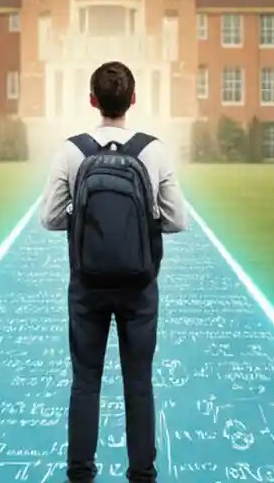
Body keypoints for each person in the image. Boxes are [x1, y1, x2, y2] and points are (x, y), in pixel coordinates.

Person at [39, 60, 188, 482]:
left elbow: (49, 219)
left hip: (87, 283)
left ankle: (80, 473)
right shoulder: (153, 150)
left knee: (85, 380)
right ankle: (142, 474)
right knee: (138, 382)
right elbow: (178, 221)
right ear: (133, 100)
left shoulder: (71, 150)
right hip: (140, 285)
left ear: (92, 101)